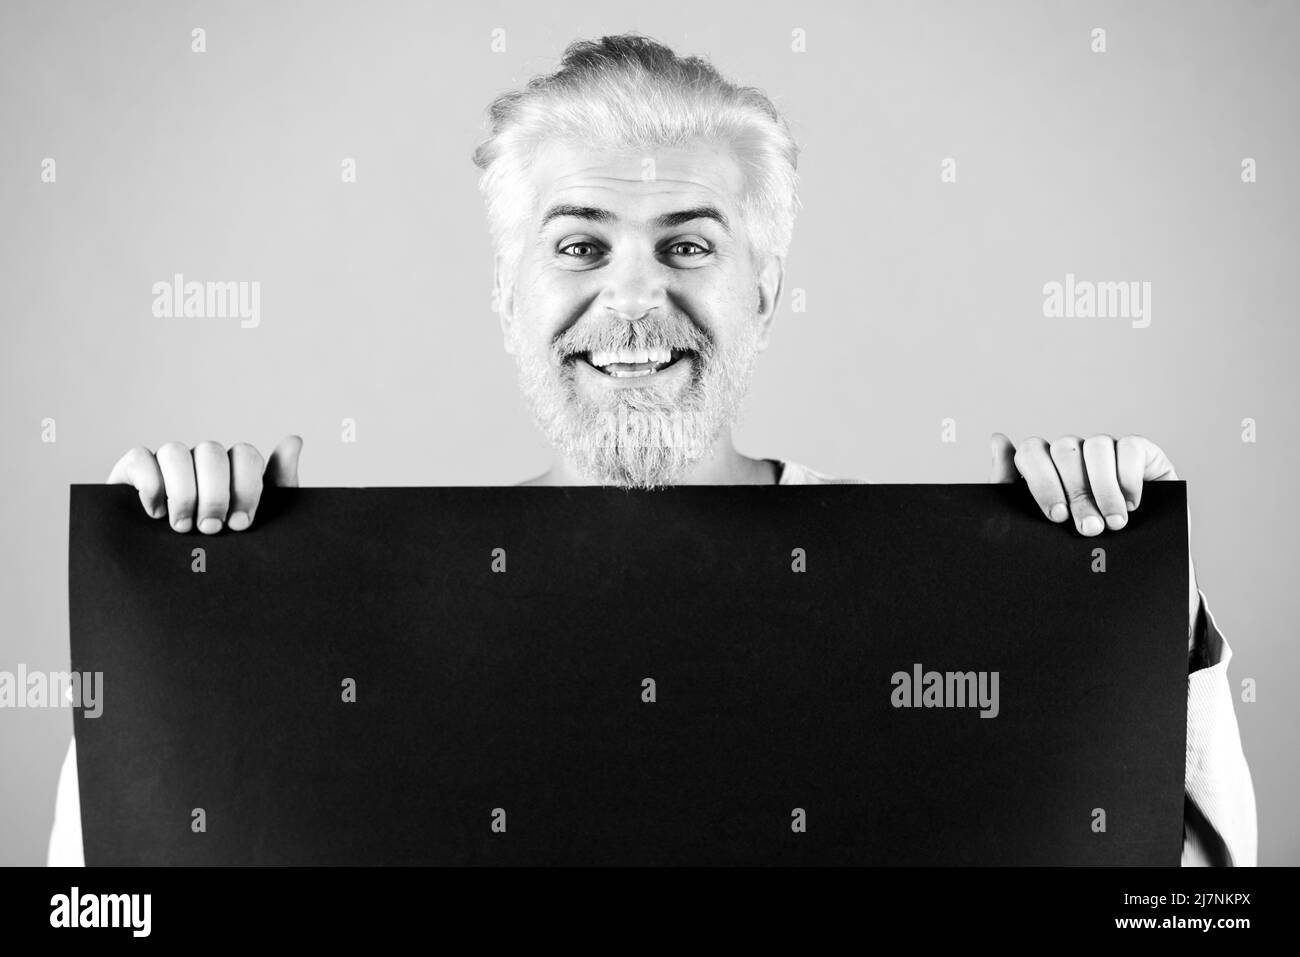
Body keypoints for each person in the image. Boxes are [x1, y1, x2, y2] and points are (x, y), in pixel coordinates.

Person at [48, 34, 1256, 867]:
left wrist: (1132, 590)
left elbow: (1190, 901)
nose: (634, 302)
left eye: (689, 247)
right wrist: (184, 610)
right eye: (580, 247)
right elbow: (107, 899)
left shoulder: (964, 593)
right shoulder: (355, 595)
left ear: (766, 290)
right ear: (506, 296)